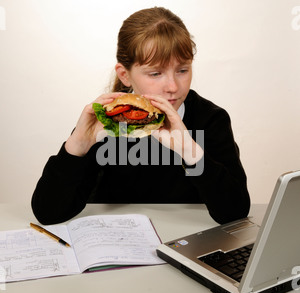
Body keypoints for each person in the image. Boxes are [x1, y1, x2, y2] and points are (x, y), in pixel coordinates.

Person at [31, 7, 250, 225]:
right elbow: (48, 213)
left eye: (182, 70)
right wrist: (78, 145)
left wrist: (189, 150)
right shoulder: (105, 121)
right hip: (115, 240)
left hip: (182, 241)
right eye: (156, 73)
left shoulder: (210, 119)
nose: (173, 86)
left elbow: (235, 213)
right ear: (125, 75)